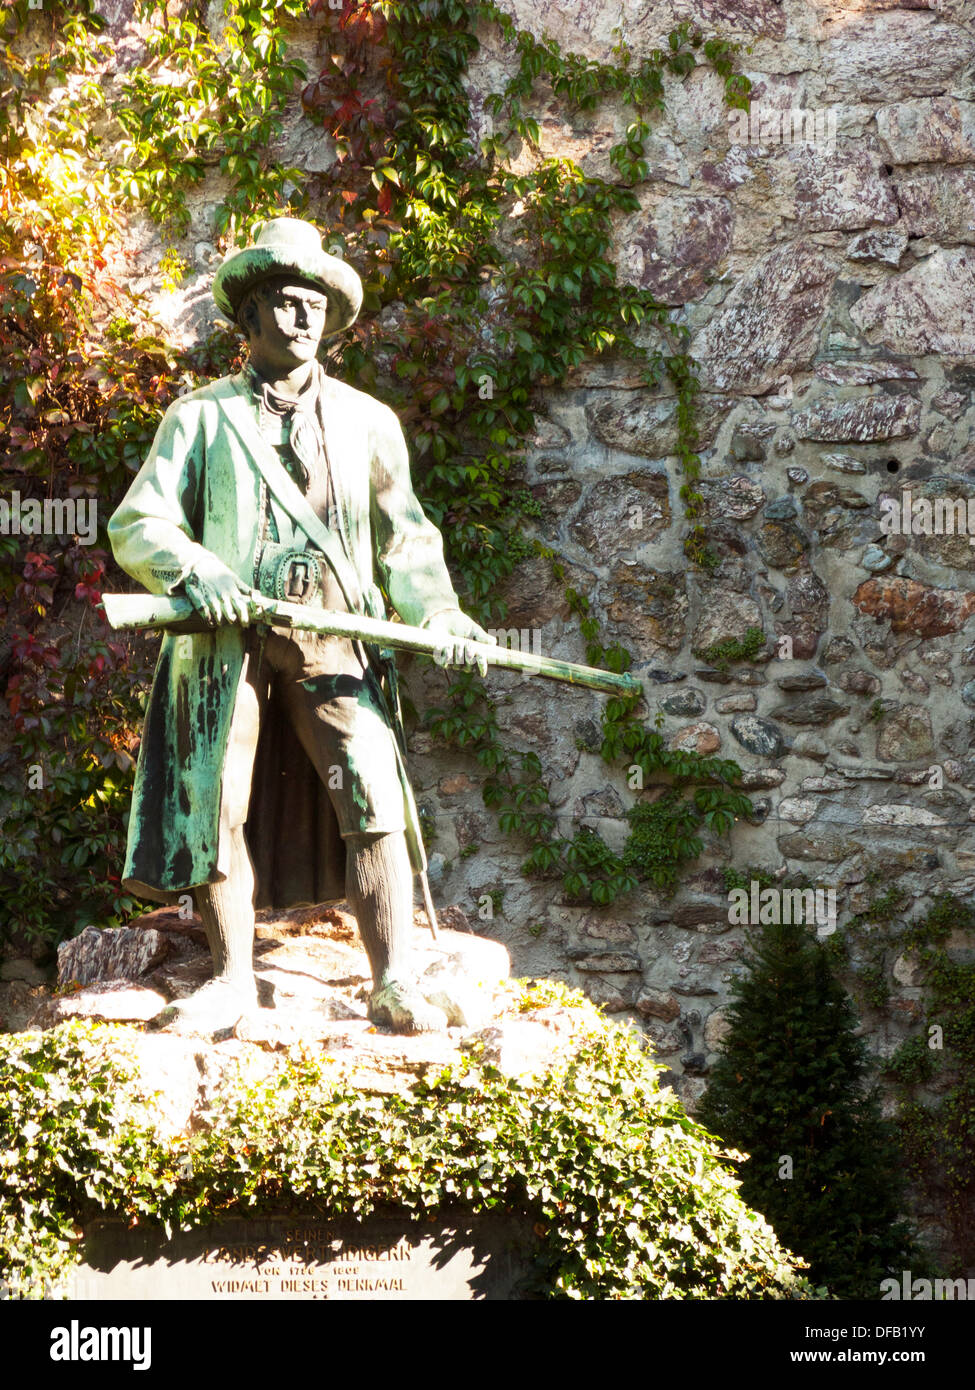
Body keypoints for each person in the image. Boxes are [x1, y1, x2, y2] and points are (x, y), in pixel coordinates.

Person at [108, 217, 493, 1033]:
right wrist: (198, 571)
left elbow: (407, 536)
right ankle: (231, 981)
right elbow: (140, 522)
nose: (300, 318)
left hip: (333, 631)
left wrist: (444, 612)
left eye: (312, 304)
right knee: (218, 802)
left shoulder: (368, 422)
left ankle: (393, 980)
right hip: (225, 645)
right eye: (282, 303)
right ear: (246, 318)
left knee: (370, 786)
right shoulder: (198, 419)